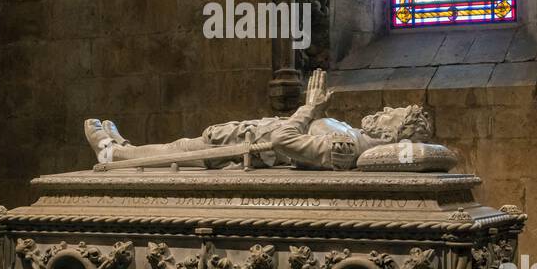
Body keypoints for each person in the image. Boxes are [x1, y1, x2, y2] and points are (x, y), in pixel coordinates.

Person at [84, 70, 432, 172]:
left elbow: (285, 141)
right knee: (181, 147)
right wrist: (316, 111)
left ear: (394, 134)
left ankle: (113, 153)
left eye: (394, 114)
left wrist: (309, 108)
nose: (386, 110)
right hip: (253, 135)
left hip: (252, 147)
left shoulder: (348, 146)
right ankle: (122, 149)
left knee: (181, 151)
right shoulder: (351, 134)